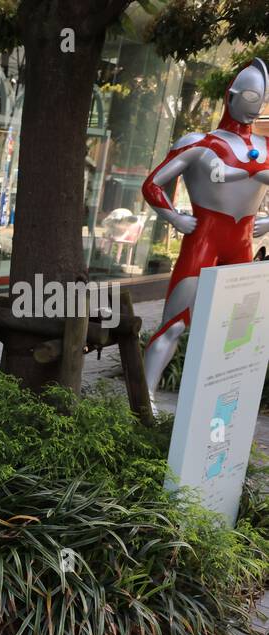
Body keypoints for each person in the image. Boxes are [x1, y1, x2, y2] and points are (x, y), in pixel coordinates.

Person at [141, 59, 269, 397]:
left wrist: (267, 221)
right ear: (232, 96)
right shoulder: (201, 142)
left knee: (235, 330)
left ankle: (218, 400)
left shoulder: (266, 147)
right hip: (205, 240)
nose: (256, 104)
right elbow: (153, 184)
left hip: (241, 243)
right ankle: (145, 399)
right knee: (177, 322)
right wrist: (175, 217)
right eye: (253, 95)